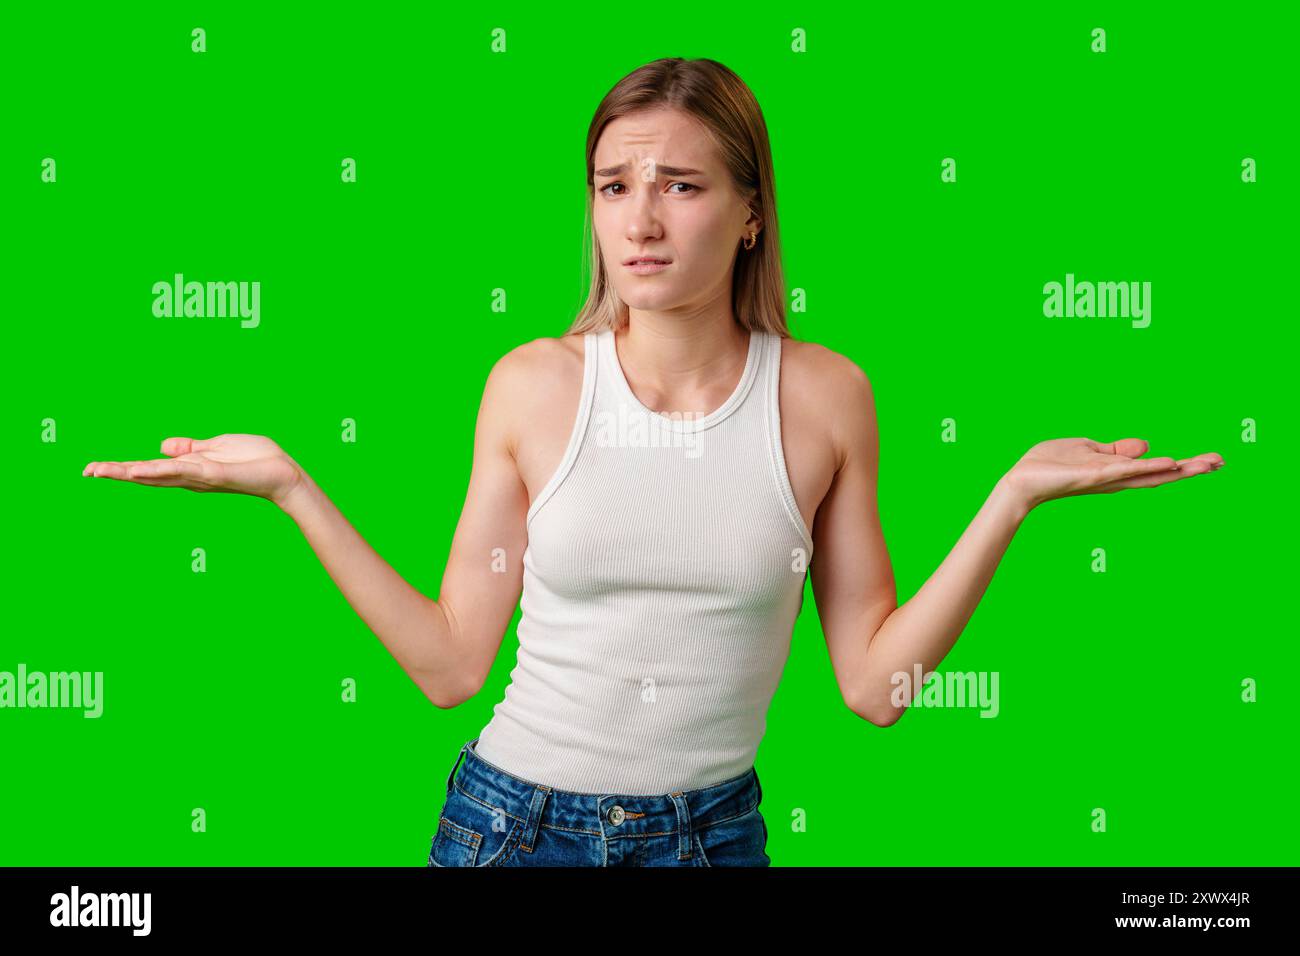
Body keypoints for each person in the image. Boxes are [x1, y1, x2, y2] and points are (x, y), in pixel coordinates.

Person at [81, 58, 1224, 867]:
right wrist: (291, 485)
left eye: (680, 185)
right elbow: (448, 664)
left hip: (714, 835)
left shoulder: (827, 396)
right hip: (511, 830)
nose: (640, 219)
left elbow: (877, 688)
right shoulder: (531, 384)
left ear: (749, 214)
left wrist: (1010, 498)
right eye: (612, 185)